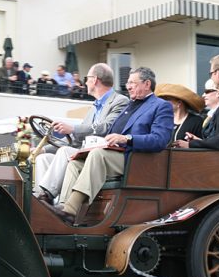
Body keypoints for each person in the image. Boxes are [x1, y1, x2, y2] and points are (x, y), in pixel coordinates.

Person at [52, 67, 173, 224]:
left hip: (135, 160)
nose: (127, 86)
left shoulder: (161, 105)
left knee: (98, 156)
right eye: (127, 83)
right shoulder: (130, 105)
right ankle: (64, 210)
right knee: (75, 162)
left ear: (147, 84)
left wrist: (127, 138)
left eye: (132, 83)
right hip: (113, 154)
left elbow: (159, 140)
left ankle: (70, 211)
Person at [35, 63, 129, 205]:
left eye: (87, 78)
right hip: (84, 152)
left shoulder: (120, 101)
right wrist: (42, 149)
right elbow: (74, 140)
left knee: (65, 151)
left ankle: (46, 196)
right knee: (43, 158)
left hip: (99, 156)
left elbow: (107, 127)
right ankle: (43, 201)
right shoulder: (93, 108)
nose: (85, 82)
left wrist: (73, 128)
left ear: (95, 79)